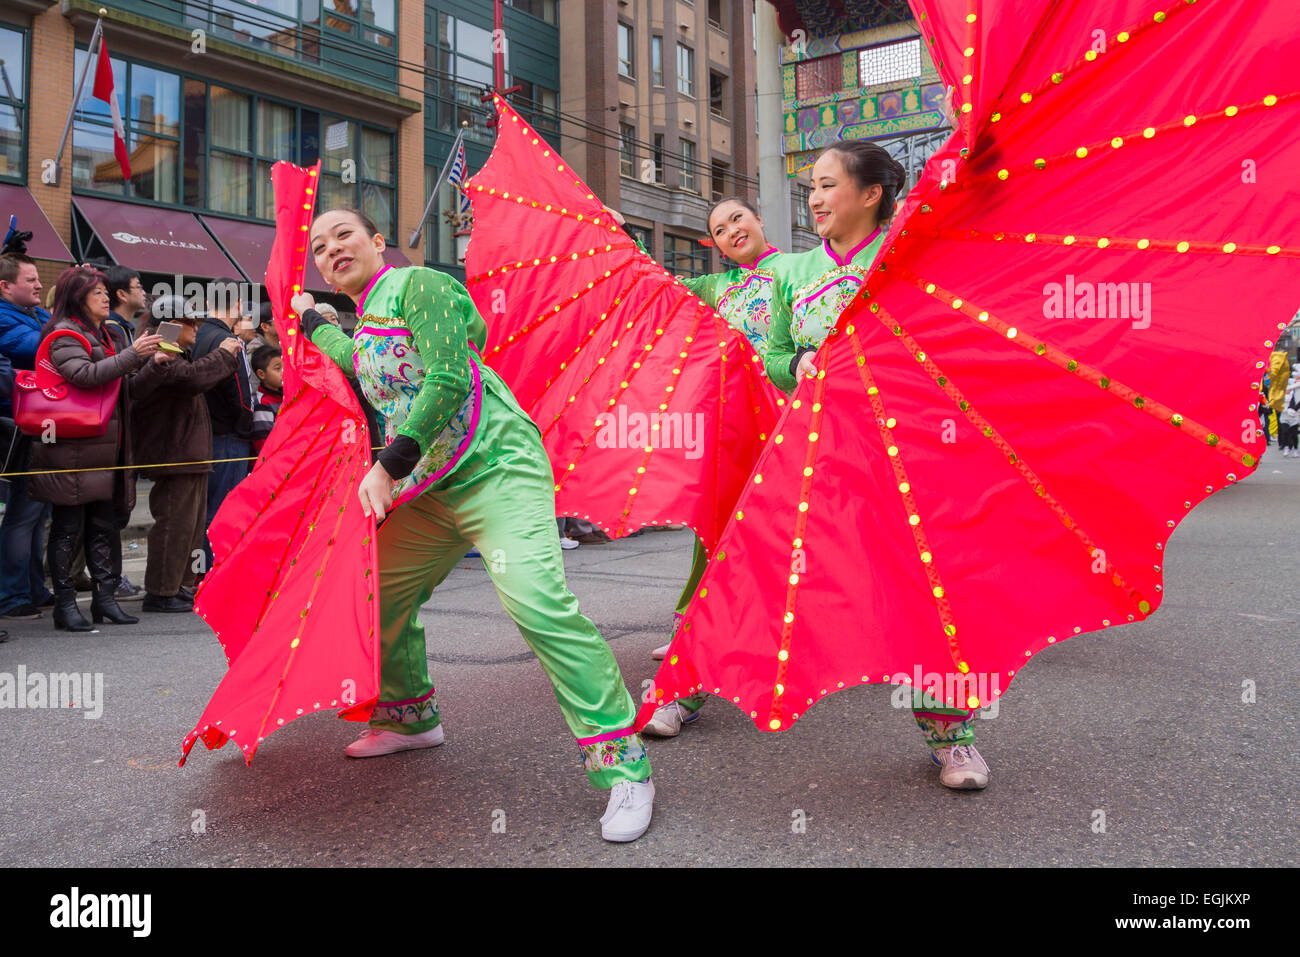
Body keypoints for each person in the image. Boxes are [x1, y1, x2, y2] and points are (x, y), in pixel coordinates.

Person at [289, 207, 655, 842]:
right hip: (433, 486)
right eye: (319, 247)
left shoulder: (421, 285)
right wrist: (313, 322)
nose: (331, 250)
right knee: (377, 591)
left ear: (379, 242)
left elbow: (451, 376)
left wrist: (387, 465)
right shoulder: (371, 319)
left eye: (343, 235)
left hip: (496, 467)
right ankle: (410, 718)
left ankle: (623, 765)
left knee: (539, 606)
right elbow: (356, 358)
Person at [622, 199, 787, 735]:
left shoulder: (806, 274)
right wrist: (623, 237)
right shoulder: (716, 291)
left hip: (800, 437)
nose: (730, 231)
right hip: (736, 438)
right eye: (718, 230)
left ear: (759, 219)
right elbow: (658, 296)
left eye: (737, 219)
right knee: (720, 549)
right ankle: (685, 674)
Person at [28, 266, 164, 630]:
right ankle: (65, 605)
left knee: (105, 526)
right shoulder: (62, 334)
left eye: (106, 291)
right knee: (67, 527)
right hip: (70, 448)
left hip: (108, 447)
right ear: (77, 297)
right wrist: (133, 355)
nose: (106, 297)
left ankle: (105, 601)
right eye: (98, 292)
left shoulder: (108, 334)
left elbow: (129, 388)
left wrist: (154, 363)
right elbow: (85, 376)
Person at [132, 296, 242, 611]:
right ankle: (161, 591)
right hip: (173, 452)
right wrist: (223, 355)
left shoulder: (173, 350)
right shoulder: (160, 351)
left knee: (191, 526)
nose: (196, 327)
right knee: (174, 524)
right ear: (170, 325)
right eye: (189, 321)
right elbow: (192, 378)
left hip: (187, 452)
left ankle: (179, 585)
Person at [0, 252, 56, 620]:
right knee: (22, 515)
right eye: (30, 279)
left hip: (36, 425)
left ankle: (33, 587)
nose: (39, 285)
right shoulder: (5, 319)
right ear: (5, 287)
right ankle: (12, 593)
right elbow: (44, 348)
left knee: (37, 513)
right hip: (17, 429)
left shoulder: (32, 315)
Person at [193, 279, 256, 574]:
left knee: (204, 509)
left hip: (200, 431)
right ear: (240, 305)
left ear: (207, 303)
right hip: (229, 435)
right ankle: (216, 571)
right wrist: (246, 425)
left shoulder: (196, 336)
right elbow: (242, 396)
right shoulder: (230, 342)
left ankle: (201, 570)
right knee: (222, 509)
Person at [102, 264, 150, 601]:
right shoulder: (113, 331)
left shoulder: (126, 329)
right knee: (109, 510)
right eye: (137, 285)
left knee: (114, 509)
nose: (143, 291)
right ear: (121, 294)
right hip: (110, 432)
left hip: (123, 431)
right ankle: (108, 581)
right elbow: (124, 382)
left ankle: (99, 579)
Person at [249, 345, 283, 455]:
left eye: (284, 367)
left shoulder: (284, 396)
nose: (283, 371)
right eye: (277, 368)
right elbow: (262, 443)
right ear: (261, 374)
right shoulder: (263, 404)